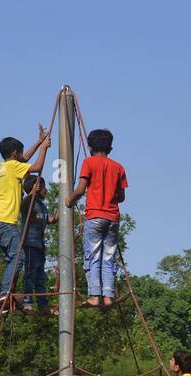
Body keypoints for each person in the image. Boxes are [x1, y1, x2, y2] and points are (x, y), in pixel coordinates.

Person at [65, 128, 128, 307]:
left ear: (90, 146)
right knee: (108, 257)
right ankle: (108, 296)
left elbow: (81, 188)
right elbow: (121, 197)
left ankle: (94, 295)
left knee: (92, 256)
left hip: (94, 216)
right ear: (110, 148)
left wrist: (68, 200)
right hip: (112, 218)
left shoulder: (89, 163)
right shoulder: (118, 167)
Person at [0, 126, 51, 309]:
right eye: (21, 152)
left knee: (14, 258)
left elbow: (24, 160)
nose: (23, 155)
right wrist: (44, 148)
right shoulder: (13, 166)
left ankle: (8, 294)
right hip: (6, 223)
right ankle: (5, 292)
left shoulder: (5, 166)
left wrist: (39, 141)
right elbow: (37, 167)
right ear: (15, 153)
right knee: (18, 257)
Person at [19, 174, 58, 313]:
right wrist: (32, 191)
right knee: (30, 273)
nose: (46, 191)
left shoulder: (41, 206)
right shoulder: (28, 202)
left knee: (41, 276)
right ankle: (27, 303)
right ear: (38, 187)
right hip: (29, 243)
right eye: (44, 187)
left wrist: (63, 207)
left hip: (40, 246)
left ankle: (43, 305)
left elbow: (51, 220)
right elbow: (23, 206)